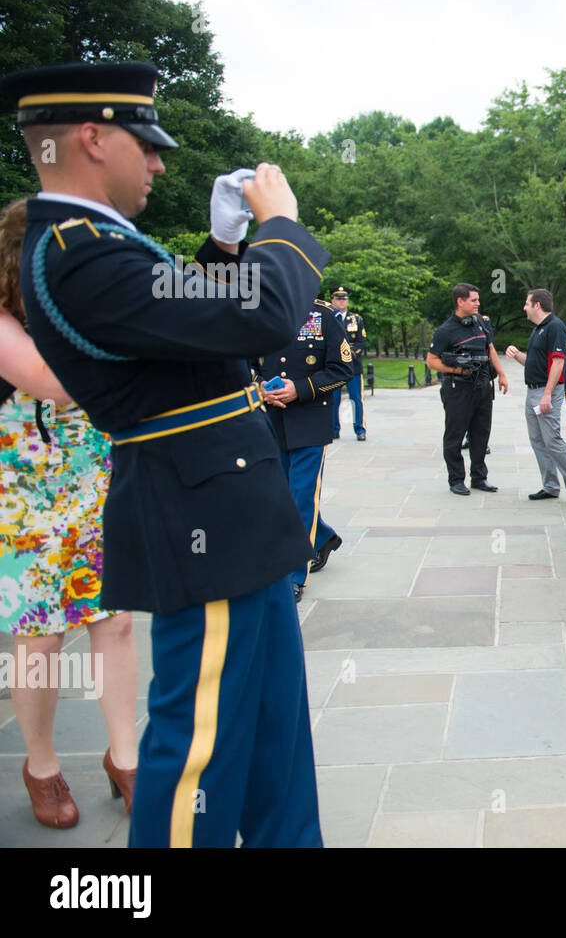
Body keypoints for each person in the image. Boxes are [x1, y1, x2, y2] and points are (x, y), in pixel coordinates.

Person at [7, 61, 327, 846]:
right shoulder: (76, 252)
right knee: (200, 759)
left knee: (272, 741)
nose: (157, 162)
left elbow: (191, 333)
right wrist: (281, 226)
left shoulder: (100, 244)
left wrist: (223, 246)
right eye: (145, 143)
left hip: (230, 514)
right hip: (205, 520)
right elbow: (259, 318)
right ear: (90, 137)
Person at [0, 197, 138, 829]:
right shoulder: (7, 319)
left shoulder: (83, 311)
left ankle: (126, 757)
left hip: (94, 488)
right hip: (23, 502)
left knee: (115, 622)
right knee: (41, 636)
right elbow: (53, 382)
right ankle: (42, 765)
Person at [256, 296, 354, 601]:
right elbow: (245, 364)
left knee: (301, 495)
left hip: (309, 421)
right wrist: (259, 387)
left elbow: (342, 369)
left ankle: (295, 573)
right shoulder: (258, 312)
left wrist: (299, 389)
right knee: (280, 495)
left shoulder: (324, 317)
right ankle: (322, 537)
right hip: (272, 419)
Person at [426, 283, 508, 495]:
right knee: (455, 435)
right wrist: (457, 369)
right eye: (473, 300)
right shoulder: (445, 330)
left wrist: (502, 374)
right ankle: (456, 480)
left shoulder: (480, 322)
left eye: (478, 300)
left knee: (481, 434)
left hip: (482, 387)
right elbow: (431, 361)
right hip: (458, 389)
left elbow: (490, 349)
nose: (478, 303)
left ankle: (479, 478)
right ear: (460, 301)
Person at [505, 288, 566, 504]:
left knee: (552, 440)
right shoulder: (538, 329)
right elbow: (534, 362)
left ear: (537, 305)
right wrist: (517, 354)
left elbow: (559, 362)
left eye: (527, 303)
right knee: (538, 440)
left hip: (547, 391)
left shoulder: (555, 327)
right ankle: (550, 486)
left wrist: (547, 395)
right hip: (533, 390)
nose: (524, 308)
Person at [329, 287, 366, 441]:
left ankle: (360, 429)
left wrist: (346, 356)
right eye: (338, 299)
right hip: (334, 367)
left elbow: (360, 342)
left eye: (344, 299)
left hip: (353, 366)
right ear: (332, 300)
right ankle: (333, 429)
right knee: (333, 399)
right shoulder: (328, 317)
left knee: (356, 399)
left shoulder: (356, 319)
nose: (341, 302)